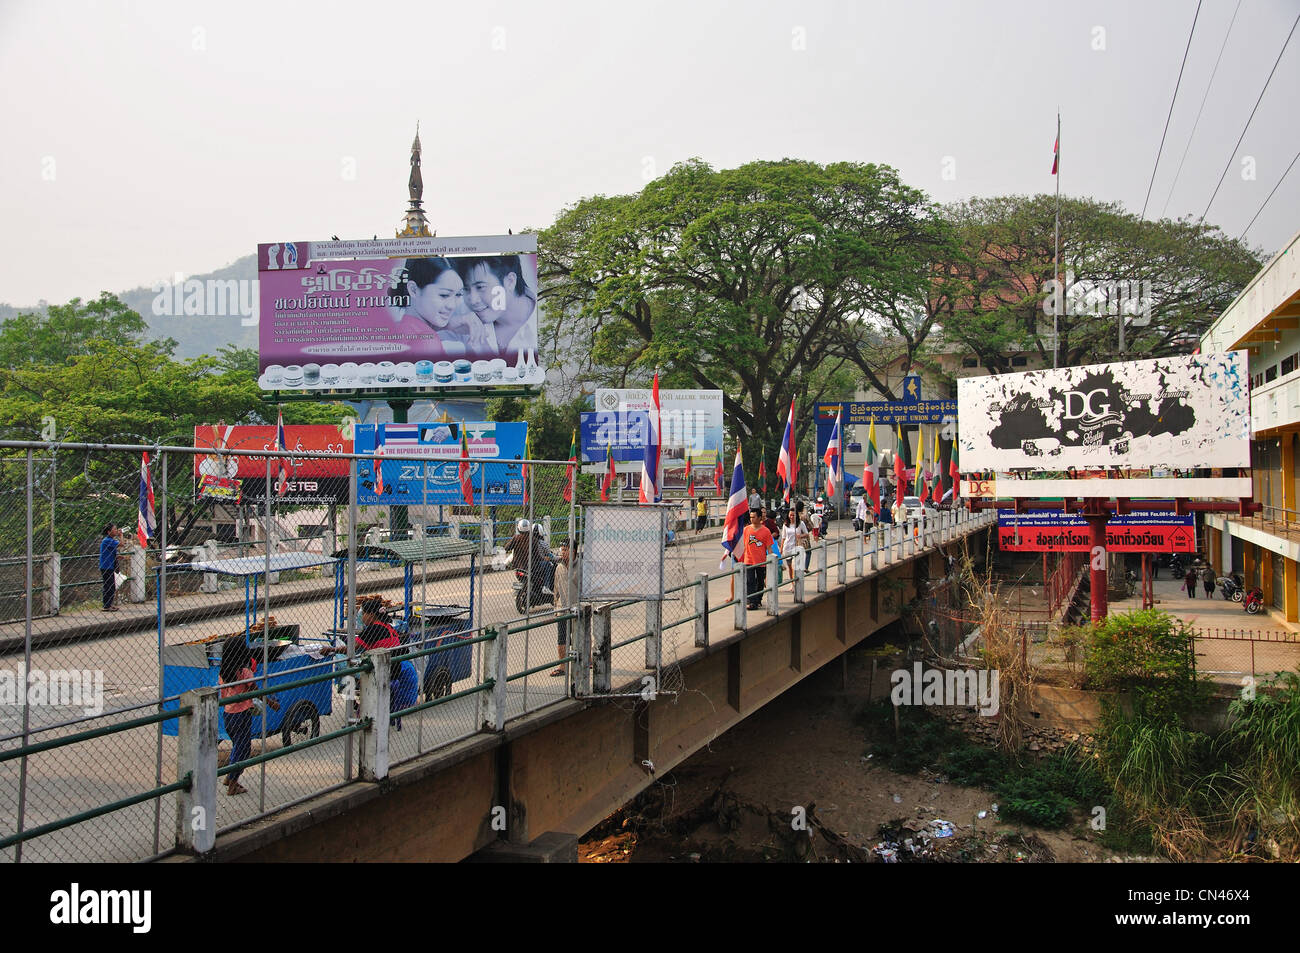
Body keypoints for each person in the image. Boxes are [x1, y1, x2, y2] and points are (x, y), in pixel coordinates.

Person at [323, 598, 418, 728]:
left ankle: (358, 714)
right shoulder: (388, 627)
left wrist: (331, 649)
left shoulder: (373, 629)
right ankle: (359, 707)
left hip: (382, 672)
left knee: (345, 671)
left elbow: (350, 649)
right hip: (394, 670)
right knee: (351, 669)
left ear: (371, 615)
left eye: (363, 614)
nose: (361, 618)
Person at [219, 635, 279, 795]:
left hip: (228, 715)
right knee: (243, 749)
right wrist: (271, 703)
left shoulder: (223, 673)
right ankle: (233, 782)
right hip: (241, 715)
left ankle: (230, 777)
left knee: (238, 746)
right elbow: (255, 690)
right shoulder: (244, 672)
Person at [391, 257, 488, 356]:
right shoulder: (427, 342)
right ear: (414, 290)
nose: (452, 306)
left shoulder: (397, 329)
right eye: (444, 295)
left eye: (458, 294)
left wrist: (447, 325)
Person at [456, 255, 538, 362]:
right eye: (466, 289)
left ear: (510, 281)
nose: (473, 300)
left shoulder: (543, 318)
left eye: (480, 287)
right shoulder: (463, 316)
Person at [551, 542, 580, 676]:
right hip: (562, 608)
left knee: (579, 636)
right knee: (562, 638)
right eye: (561, 550)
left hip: (577, 608)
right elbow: (556, 587)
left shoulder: (581, 566)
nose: (562, 552)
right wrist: (556, 605)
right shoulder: (559, 567)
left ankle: (587, 661)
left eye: (565, 550)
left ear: (573, 551)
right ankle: (563, 666)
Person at [740, 507, 775, 609]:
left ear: (759, 517)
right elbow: (742, 545)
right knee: (749, 581)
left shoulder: (766, 531)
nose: (751, 519)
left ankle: (758, 599)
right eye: (750, 517)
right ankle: (752, 602)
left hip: (761, 561)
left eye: (754, 517)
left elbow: (769, 548)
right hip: (748, 560)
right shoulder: (746, 530)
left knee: (760, 582)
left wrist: (771, 560)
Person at [779, 508, 810, 590]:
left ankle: (797, 582)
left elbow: (807, 534)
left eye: (793, 515)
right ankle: (792, 583)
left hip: (796, 547)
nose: (791, 517)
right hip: (787, 548)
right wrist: (781, 549)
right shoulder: (785, 524)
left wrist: (800, 536)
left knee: (795, 567)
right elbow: (783, 537)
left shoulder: (800, 524)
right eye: (790, 515)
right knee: (790, 567)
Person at [99, 524, 123, 611]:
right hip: (106, 566)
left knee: (111, 585)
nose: (116, 531)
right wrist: (121, 535)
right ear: (109, 532)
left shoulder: (110, 541)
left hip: (109, 565)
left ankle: (109, 604)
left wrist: (117, 556)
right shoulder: (107, 540)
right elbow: (121, 544)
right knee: (108, 586)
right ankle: (106, 605)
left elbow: (109, 552)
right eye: (115, 529)